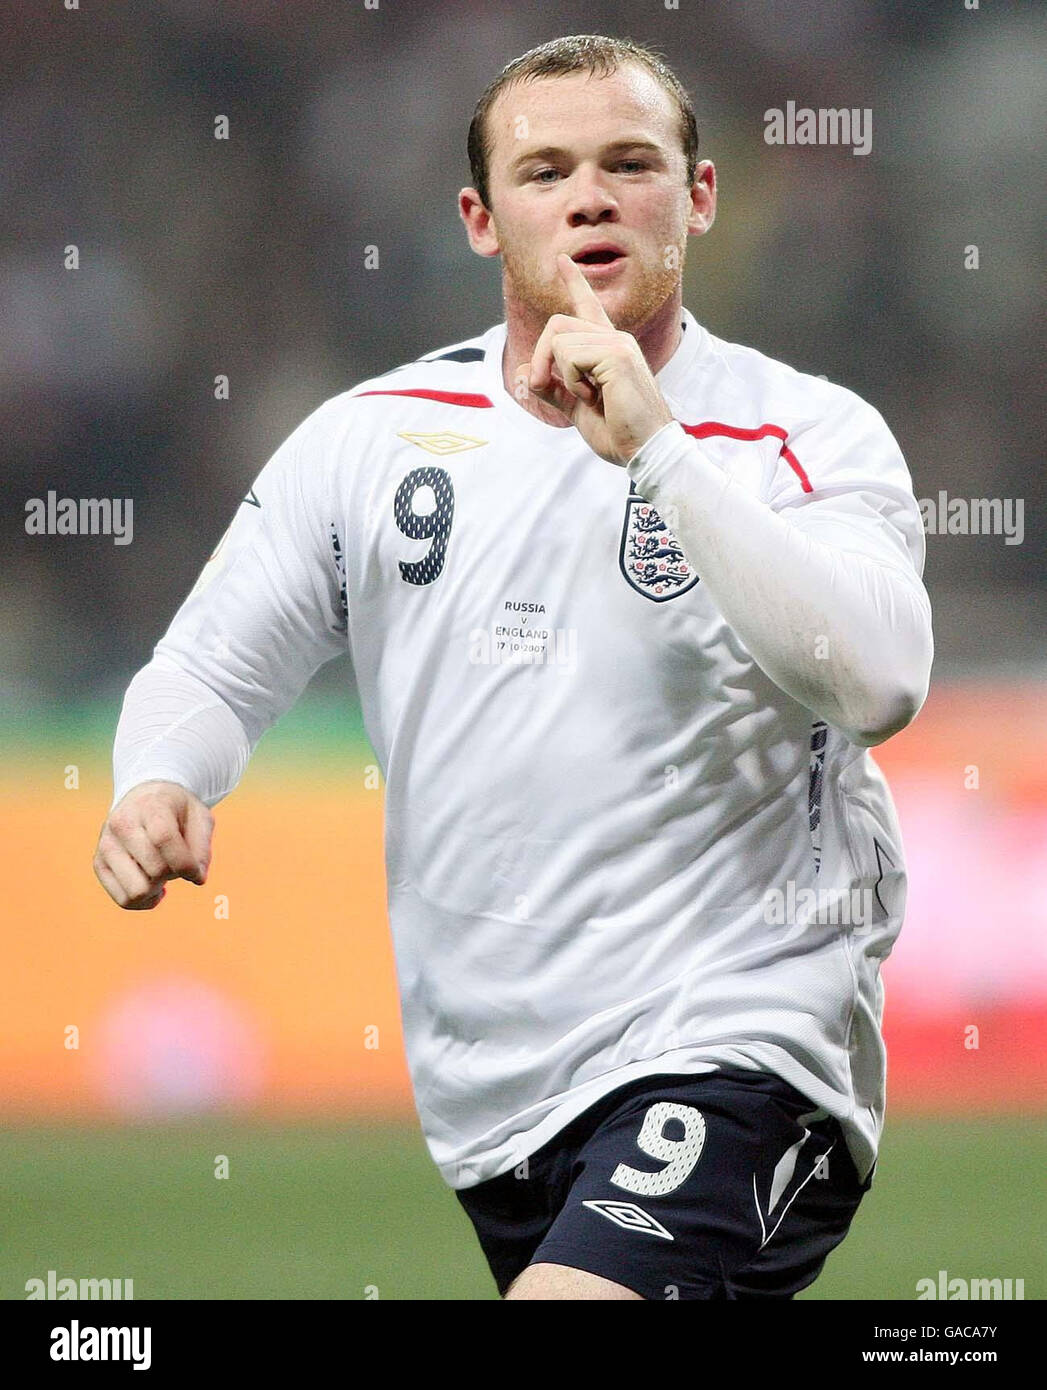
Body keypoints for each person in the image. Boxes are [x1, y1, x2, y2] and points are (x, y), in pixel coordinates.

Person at [93, 34, 933, 1300]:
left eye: (631, 162)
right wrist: (159, 776)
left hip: (744, 1041)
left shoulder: (802, 434)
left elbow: (879, 682)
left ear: (698, 198)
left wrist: (659, 446)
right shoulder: (371, 442)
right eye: (546, 171)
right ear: (482, 221)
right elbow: (208, 670)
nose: (590, 195)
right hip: (495, 1098)